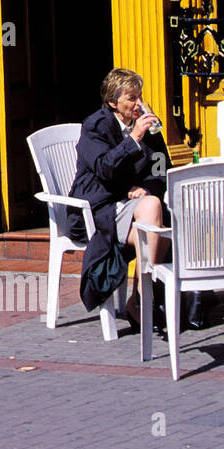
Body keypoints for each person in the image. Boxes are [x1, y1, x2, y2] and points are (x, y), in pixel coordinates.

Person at [69, 68, 171, 329]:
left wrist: (145, 188)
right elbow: (105, 169)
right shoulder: (95, 126)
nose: (139, 104)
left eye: (140, 97)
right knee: (154, 229)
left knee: (152, 208)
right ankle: (146, 300)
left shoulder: (150, 125)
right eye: (131, 98)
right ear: (113, 102)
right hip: (100, 205)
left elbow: (162, 169)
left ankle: (139, 298)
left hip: (135, 205)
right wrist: (135, 137)